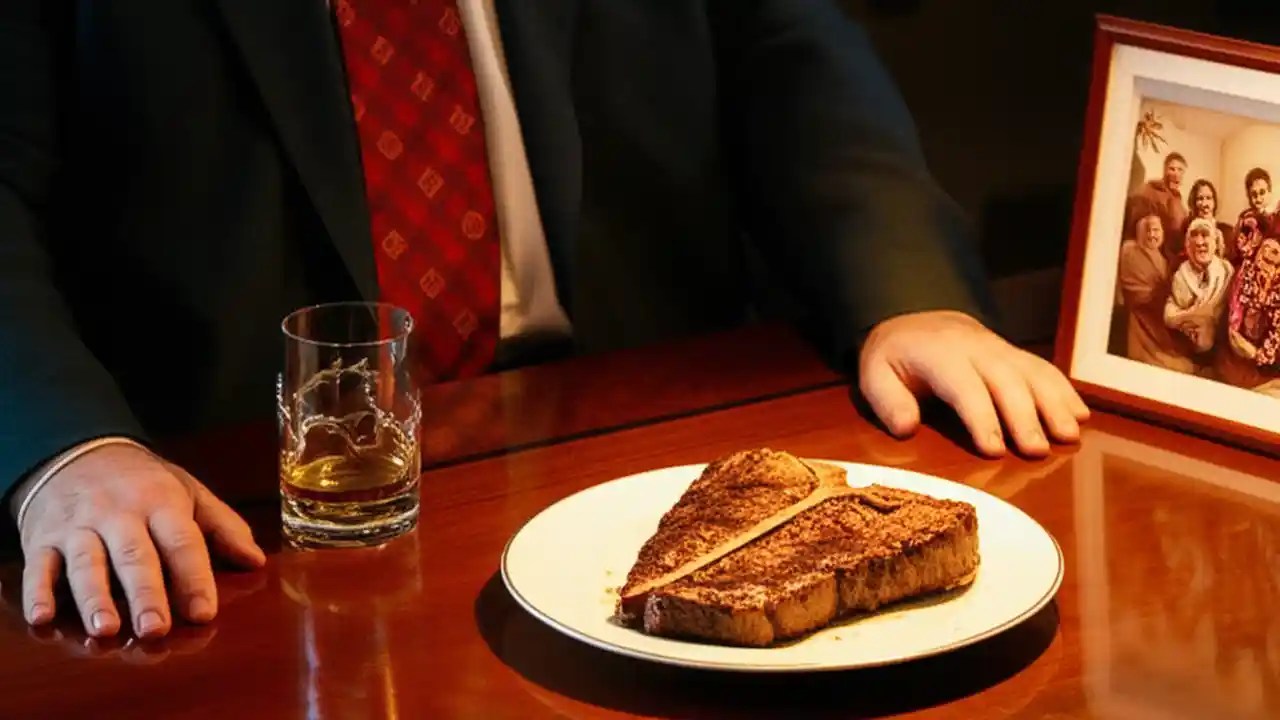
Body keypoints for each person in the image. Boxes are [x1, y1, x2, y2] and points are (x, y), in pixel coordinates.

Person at [0, 1, 1087, 640]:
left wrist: (908, 292)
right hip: (240, 527)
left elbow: (788, 46)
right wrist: (65, 449)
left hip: (647, 453)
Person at [1118, 214, 1193, 373]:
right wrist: (1161, 296)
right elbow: (1134, 290)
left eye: (1156, 230)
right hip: (1142, 319)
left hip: (1161, 314)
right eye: (1148, 231)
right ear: (1139, 232)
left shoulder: (1162, 257)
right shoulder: (1130, 252)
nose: (1152, 235)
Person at [1164, 218, 1233, 357]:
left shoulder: (1226, 272)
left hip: (1218, 347)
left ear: (1215, 242)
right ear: (1188, 245)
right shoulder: (1180, 275)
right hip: (1185, 347)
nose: (1200, 242)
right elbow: (1170, 314)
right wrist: (1189, 316)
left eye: (1205, 235)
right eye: (1194, 235)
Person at [1124, 152, 1188, 261]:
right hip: (1147, 256)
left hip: (1168, 259)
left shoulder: (1180, 204)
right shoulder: (1149, 191)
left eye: (1180, 170)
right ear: (1164, 171)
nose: (1176, 173)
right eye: (1172, 169)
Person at [1182, 178, 1234, 263]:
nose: (1205, 204)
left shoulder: (1227, 232)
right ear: (1193, 203)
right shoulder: (1187, 231)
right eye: (1200, 199)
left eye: (1209, 198)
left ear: (1214, 202)